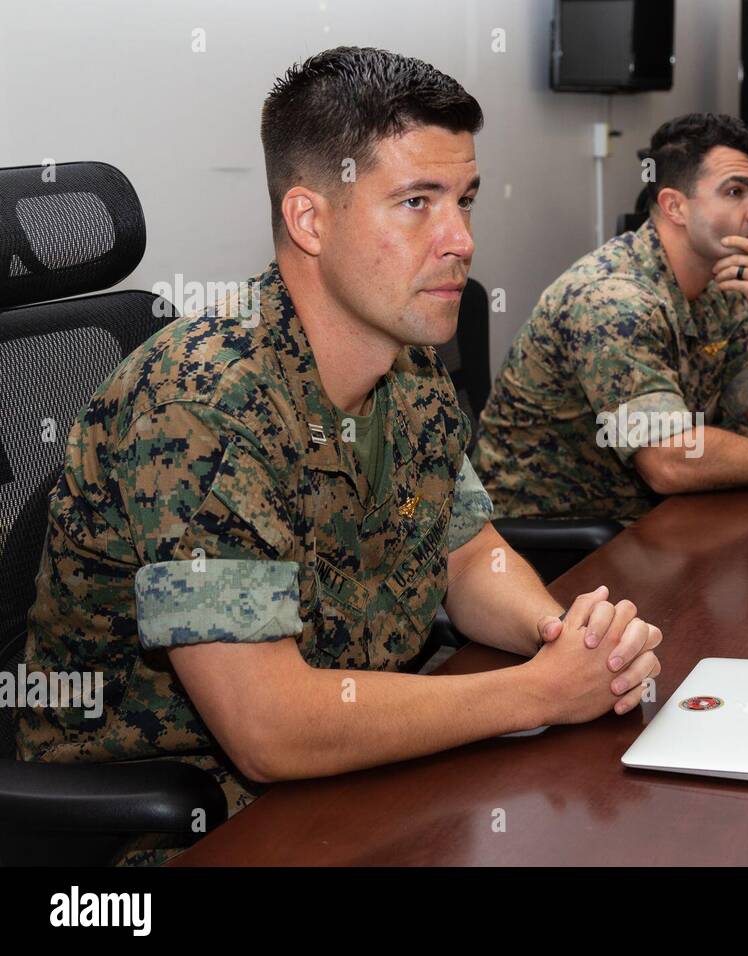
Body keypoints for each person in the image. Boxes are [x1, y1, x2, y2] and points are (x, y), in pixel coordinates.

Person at [16, 46, 662, 864]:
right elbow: (269, 730)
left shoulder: (406, 361)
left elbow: (466, 555)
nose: (460, 239)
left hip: (363, 775)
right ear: (310, 220)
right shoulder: (203, 400)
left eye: (463, 199)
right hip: (184, 826)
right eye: (417, 203)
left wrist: (561, 635)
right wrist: (534, 692)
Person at [473, 113, 748, 525]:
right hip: (559, 543)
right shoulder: (616, 299)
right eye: (736, 192)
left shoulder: (723, 282)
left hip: (655, 518)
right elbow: (670, 461)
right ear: (675, 207)